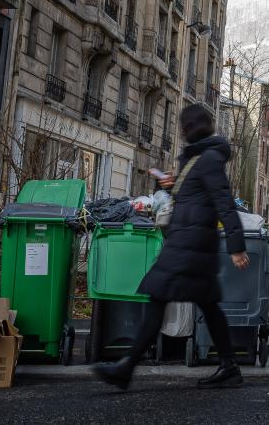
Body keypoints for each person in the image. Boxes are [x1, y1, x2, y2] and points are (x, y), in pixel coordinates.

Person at [94, 104, 249, 390]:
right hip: (189, 245)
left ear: (190, 128)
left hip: (190, 247)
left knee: (157, 296)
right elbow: (198, 195)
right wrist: (172, 185)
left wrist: (237, 246)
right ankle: (229, 367)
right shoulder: (198, 159)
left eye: (182, 126)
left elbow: (224, 203)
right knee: (207, 305)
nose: (180, 131)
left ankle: (126, 368)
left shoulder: (208, 158)